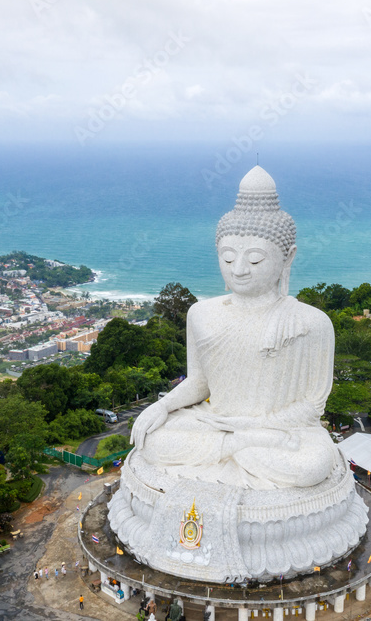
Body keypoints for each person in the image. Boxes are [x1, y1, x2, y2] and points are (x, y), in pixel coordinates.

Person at [130, 167, 338, 491]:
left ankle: (235, 449)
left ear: (288, 258)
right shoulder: (201, 313)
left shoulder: (311, 323)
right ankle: (237, 449)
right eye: (227, 258)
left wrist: (257, 426)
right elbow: (199, 383)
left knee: (312, 465)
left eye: (255, 259)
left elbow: (312, 406)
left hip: (277, 432)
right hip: (218, 427)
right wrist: (163, 405)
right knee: (153, 439)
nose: (239, 270)